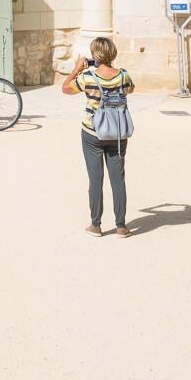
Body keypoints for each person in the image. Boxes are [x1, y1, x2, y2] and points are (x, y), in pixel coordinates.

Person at [63, 36, 135, 236]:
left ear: (95, 55)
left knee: (95, 179)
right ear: (112, 54)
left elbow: (65, 88)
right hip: (118, 133)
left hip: (92, 132)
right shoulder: (124, 76)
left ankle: (96, 225)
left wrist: (77, 69)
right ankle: (121, 226)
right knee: (118, 180)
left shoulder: (87, 77)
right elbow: (130, 90)